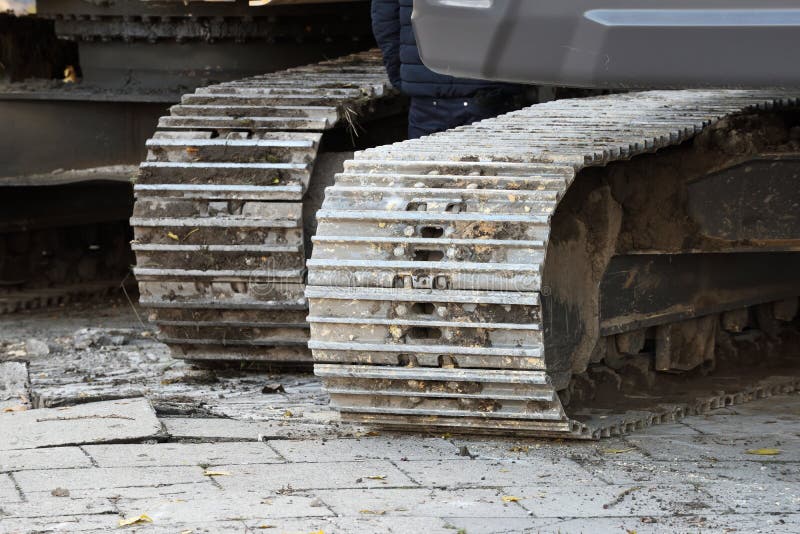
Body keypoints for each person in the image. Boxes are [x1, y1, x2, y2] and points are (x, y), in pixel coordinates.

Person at [371, 0, 528, 139]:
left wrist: (404, 77)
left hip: (427, 100)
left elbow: (385, 22)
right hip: (490, 92)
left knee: (426, 168)